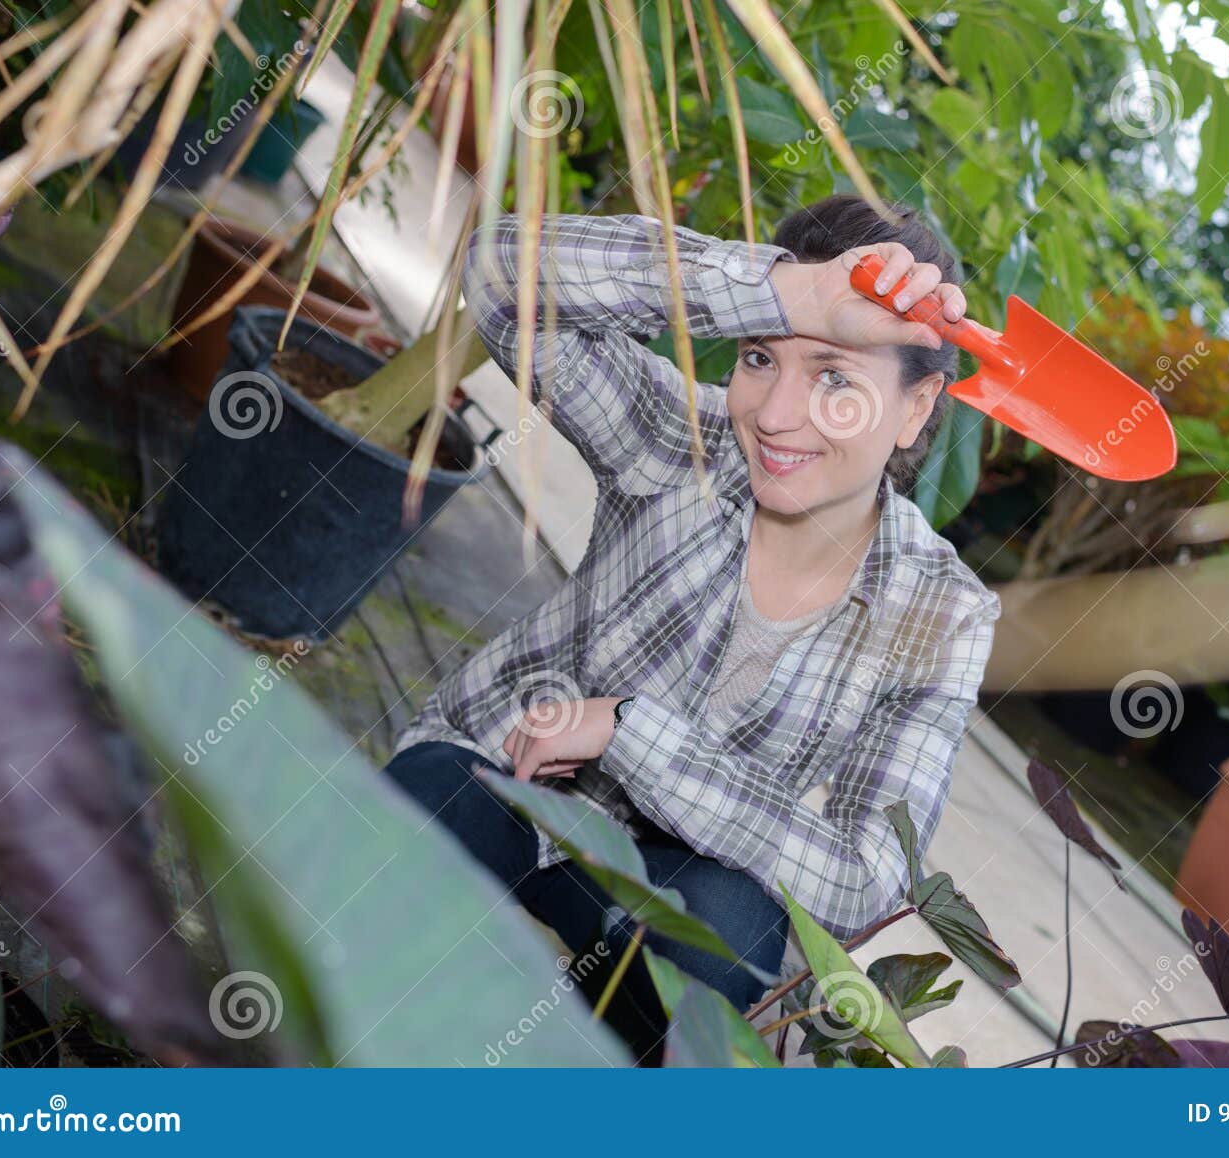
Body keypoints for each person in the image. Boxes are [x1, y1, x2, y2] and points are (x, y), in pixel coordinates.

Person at [385, 194, 1001, 1062]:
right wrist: (785, 293)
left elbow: (862, 879)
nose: (776, 415)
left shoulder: (940, 613)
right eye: (760, 357)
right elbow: (498, 275)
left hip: (668, 891)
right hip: (505, 784)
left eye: (834, 376)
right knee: (413, 814)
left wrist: (630, 732)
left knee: (726, 936)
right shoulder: (688, 444)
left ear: (914, 407)